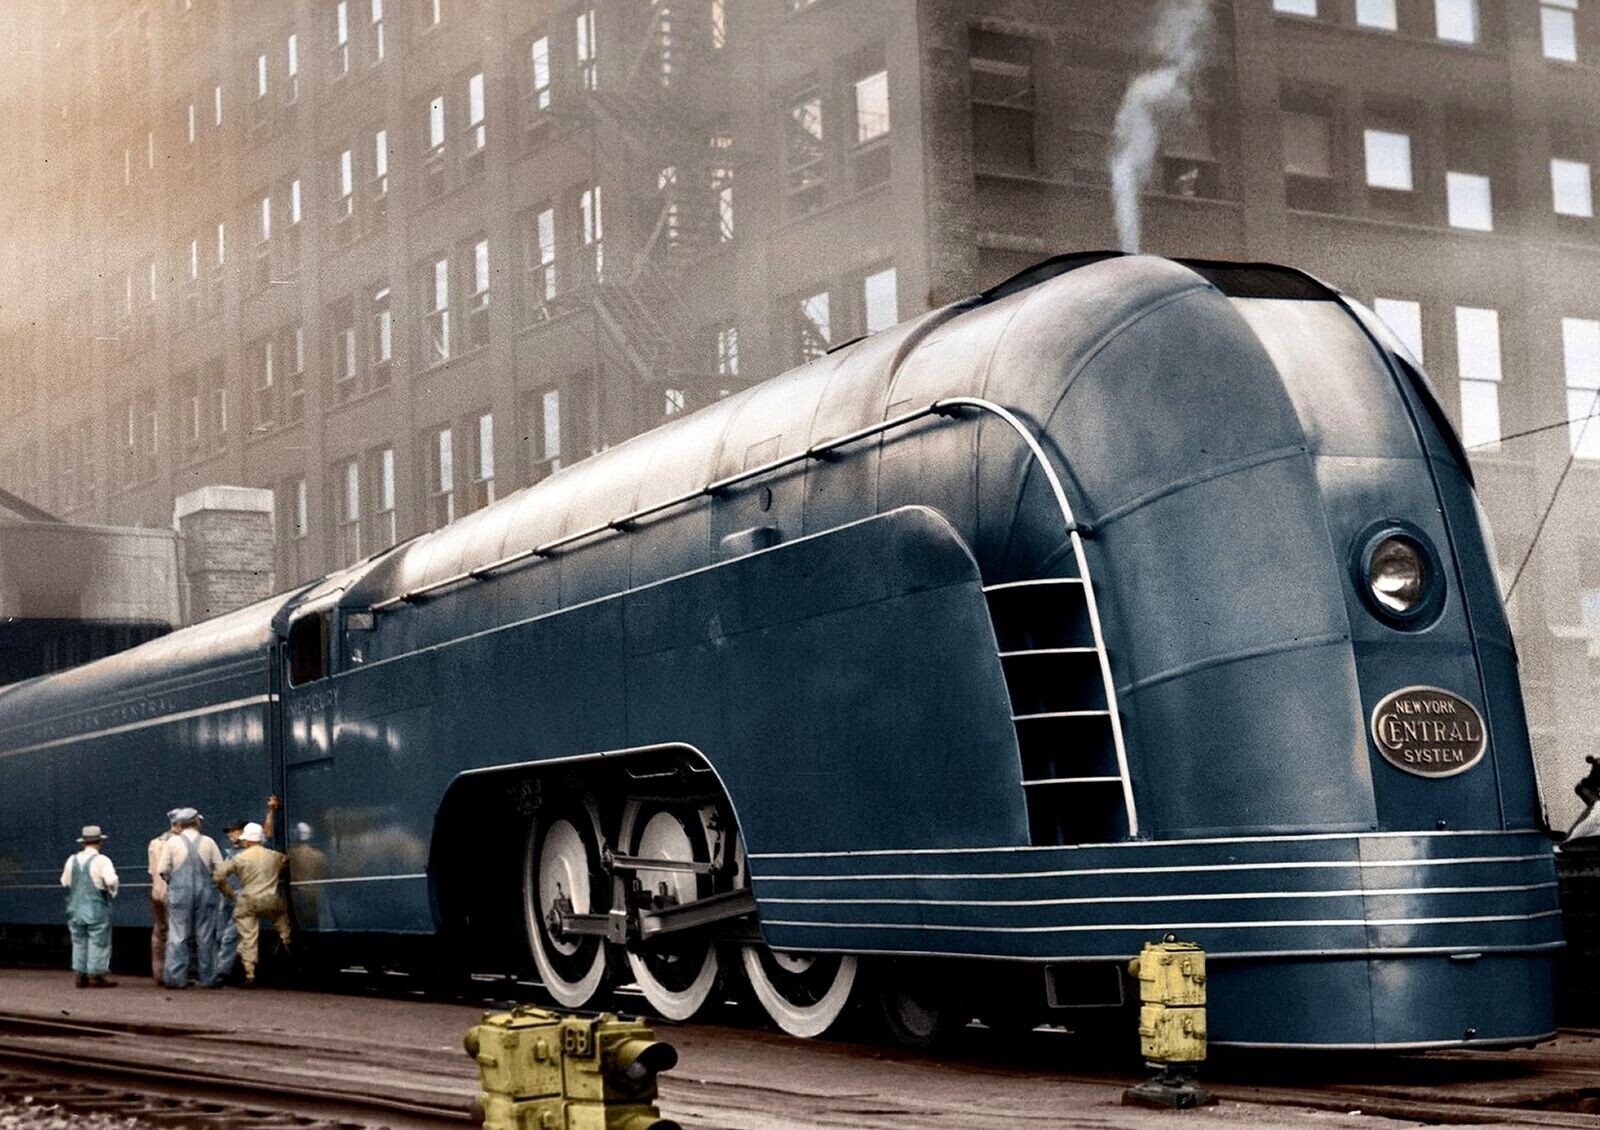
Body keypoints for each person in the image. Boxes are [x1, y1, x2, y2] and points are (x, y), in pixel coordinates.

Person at [212, 821, 290, 987]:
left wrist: (230, 894)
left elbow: (219, 876)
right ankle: (288, 947)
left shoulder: (240, 857)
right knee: (283, 926)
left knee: (244, 937)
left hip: (247, 900)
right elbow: (286, 862)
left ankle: (246, 974)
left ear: (245, 839)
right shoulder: (274, 855)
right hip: (271, 899)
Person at [157, 807, 224, 989]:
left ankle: (175, 978)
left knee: (178, 934)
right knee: (206, 935)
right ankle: (209, 978)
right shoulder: (209, 842)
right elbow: (220, 869)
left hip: (180, 893)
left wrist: (175, 882)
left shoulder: (171, 843)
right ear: (197, 822)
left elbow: (162, 869)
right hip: (206, 893)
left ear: (180, 824)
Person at [60, 825, 119, 989]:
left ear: (83, 842)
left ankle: (80, 975)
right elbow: (111, 881)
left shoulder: (71, 860)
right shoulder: (102, 861)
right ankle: (96, 975)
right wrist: (111, 891)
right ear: (100, 842)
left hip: (75, 907)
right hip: (96, 907)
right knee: (98, 941)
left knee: (78, 940)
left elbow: (65, 881)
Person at [147, 809, 180, 986]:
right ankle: (172, 974)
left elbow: (152, 871)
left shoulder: (155, 843)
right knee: (176, 934)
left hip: (156, 892)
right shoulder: (179, 844)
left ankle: (159, 972)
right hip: (172, 893)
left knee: (159, 933)